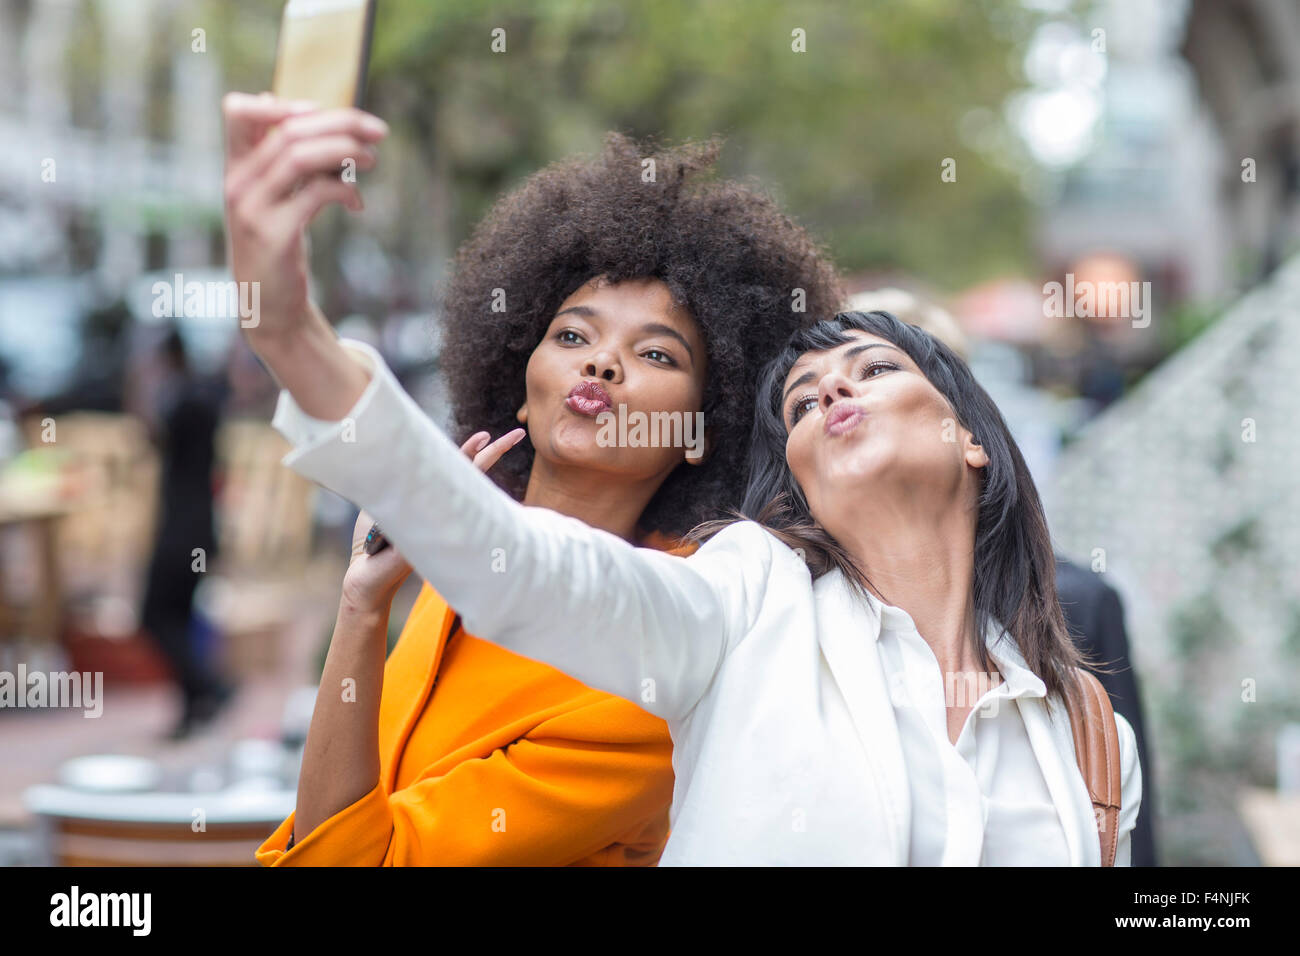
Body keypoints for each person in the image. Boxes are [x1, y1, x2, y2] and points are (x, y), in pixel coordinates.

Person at [221, 94, 843, 865]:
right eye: (572, 334)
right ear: (518, 380)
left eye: (657, 355)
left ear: (702, 433)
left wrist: (284, 328)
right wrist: (361, 603)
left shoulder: (661, 664)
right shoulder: (450, 568)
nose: (600, 363)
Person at [139, 327, 233, 740]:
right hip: (200, 527)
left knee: (155, 615)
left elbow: (149, 433)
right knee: (178, 615)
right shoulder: (204, 397)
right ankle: (196, 702)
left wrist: (141, 385)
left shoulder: (179, 401)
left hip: (179, 531)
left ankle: (208, 688)